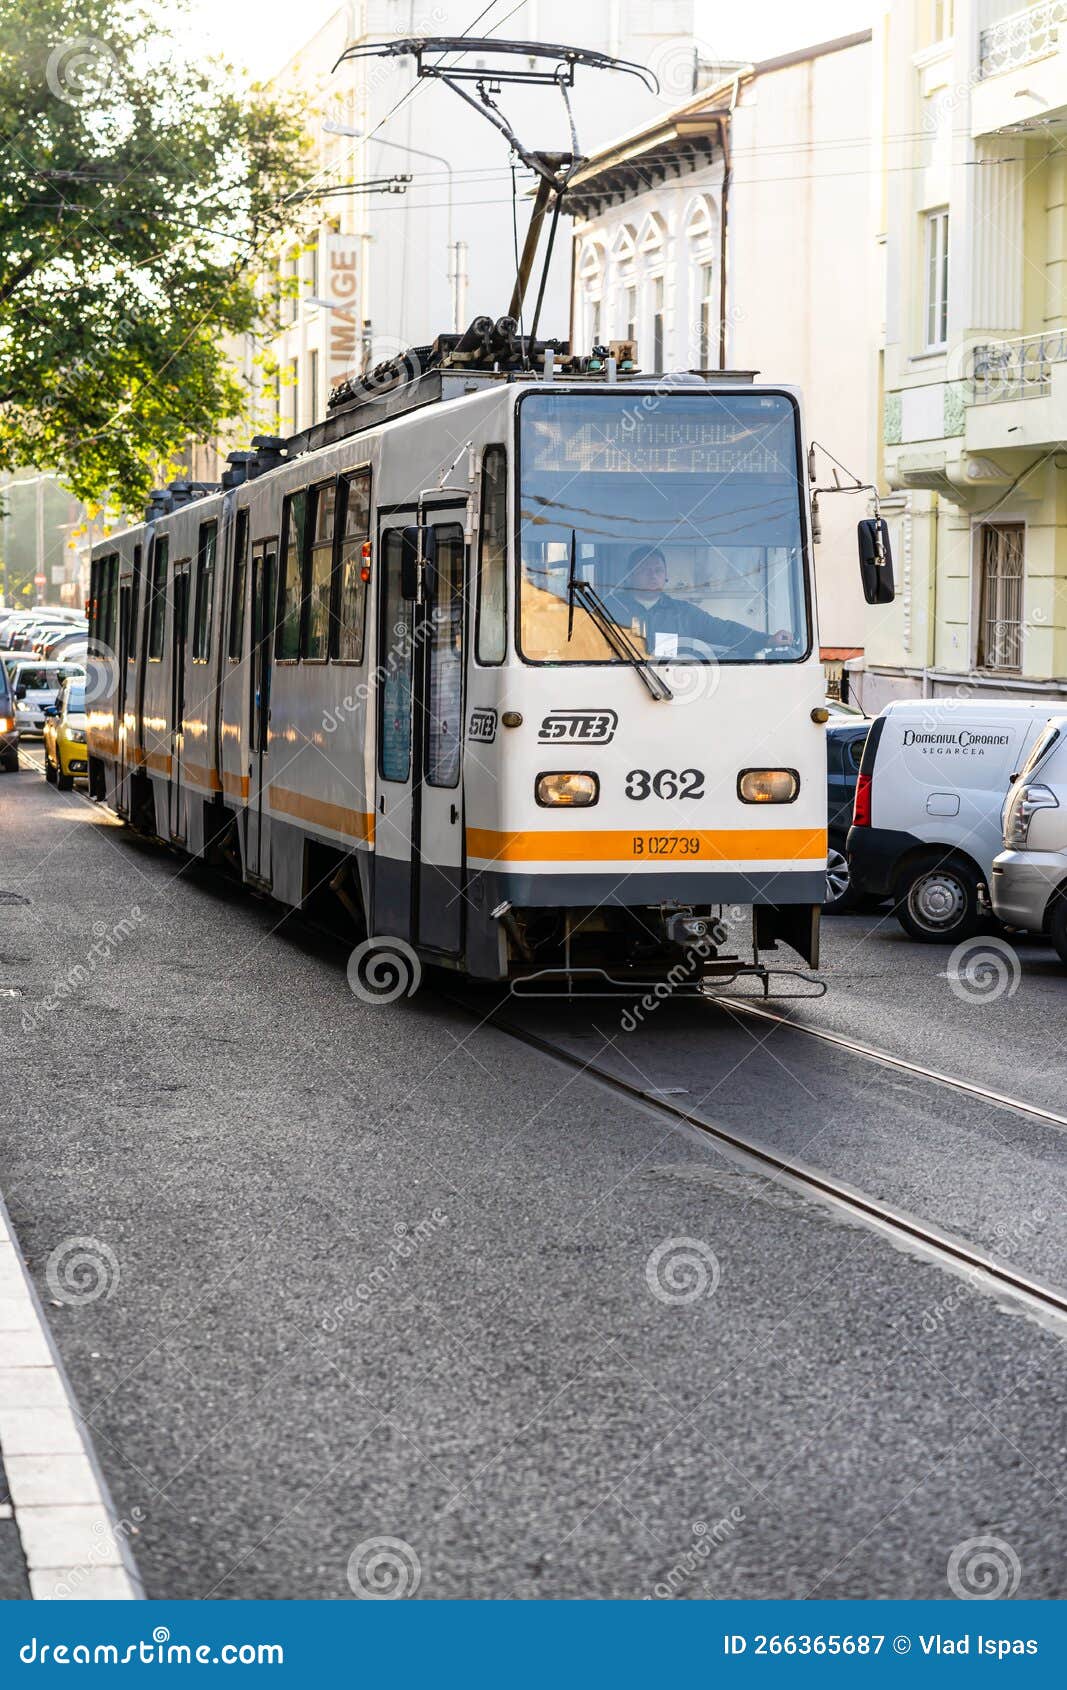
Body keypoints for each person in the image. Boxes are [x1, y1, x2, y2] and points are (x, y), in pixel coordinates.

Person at [604, 547, 796, 659]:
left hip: (672, 688)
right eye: (644, 569)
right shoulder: (607, 609)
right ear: (629, 577)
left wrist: (766, 640)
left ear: (666, 577)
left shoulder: (684, 613)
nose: (652, 575)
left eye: (658, 570)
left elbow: (724, 631)